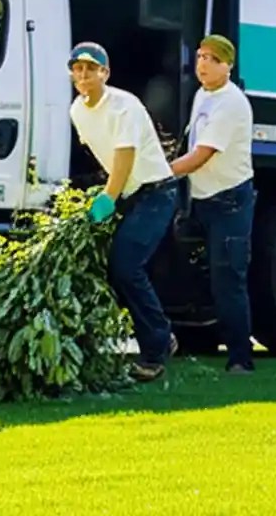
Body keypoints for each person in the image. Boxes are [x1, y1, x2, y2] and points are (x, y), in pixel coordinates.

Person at [67, 41, 179, 381]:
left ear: (106, 73)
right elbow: (102, 155)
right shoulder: (77, 110)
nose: (84, 74)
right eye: (77, 68)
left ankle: (155, 352)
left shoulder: (123, 105)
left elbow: (124, 155)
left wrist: (107, 199)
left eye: (91, 68)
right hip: (129, 195)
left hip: (156, 192)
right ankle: (161, 335)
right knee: (115, 269)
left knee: (127, 267)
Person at [170, 34, 257, 374]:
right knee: (193, 274)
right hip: (201, 200)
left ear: (228, 66)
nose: (203, 64)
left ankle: (240, 359)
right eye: (200, 57)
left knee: (228, 279)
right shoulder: (201, 95)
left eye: (212, 59)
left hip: (229, 202)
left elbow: (202, 155)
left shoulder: (231, 103)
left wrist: (159, 174)